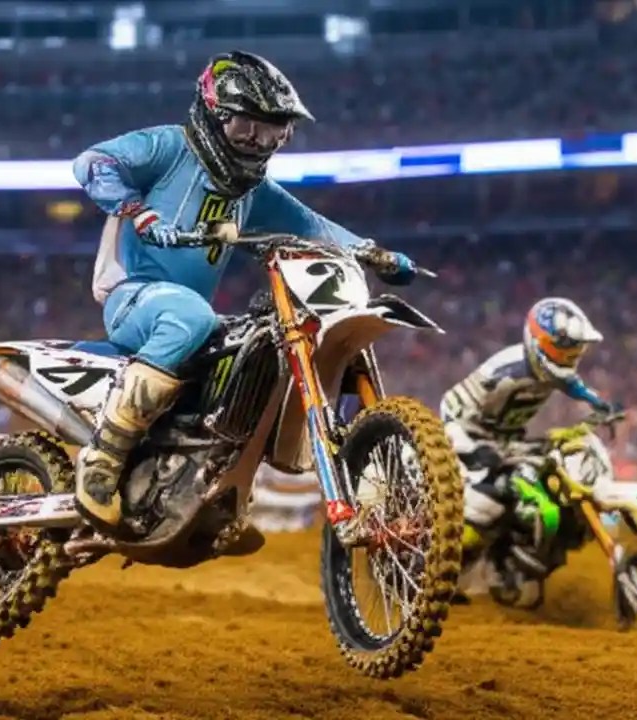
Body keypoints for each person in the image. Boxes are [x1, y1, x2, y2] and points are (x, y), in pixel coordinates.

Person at [70, 50, 419, 532]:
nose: (260, 141)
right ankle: (103, 459)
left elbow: (311, 225)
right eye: (249, 125)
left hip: (188, 314)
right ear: (215, 115)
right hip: (134, 296)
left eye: (275, 128)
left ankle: (206, 481)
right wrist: (137, 210)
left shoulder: (252, 192)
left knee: (257, 345)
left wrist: (371, 252)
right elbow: (92, 162)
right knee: (192, 317)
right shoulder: (169, 148)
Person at [441, 297, 619, 573]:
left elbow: (575, 387)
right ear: (539, 343)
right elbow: (450, 408)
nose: (569, 358)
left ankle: (531, 552)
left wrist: (601, 405)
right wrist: (471, 451)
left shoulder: (555, 372)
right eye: (563, 351)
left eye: (574, 352)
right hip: (468, 442)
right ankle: (447, 565)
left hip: (509, 443)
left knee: (552, 477)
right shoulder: (500, 373)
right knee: (488, 505)